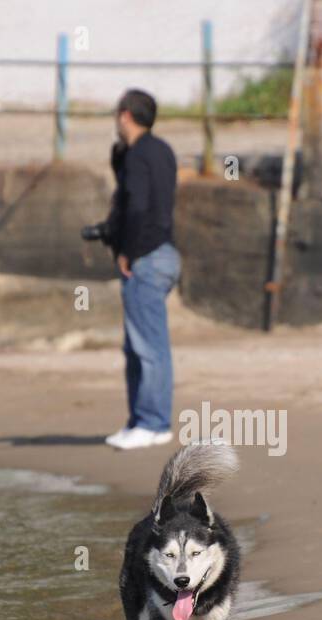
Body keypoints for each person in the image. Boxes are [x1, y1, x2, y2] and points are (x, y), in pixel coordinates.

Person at [103, 89, 181, 450]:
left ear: (125, 116)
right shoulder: (162, 150)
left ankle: (153, 422)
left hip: (146, 258)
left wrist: (127, 252)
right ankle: (140, 420)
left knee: (149, 346)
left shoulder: (139, 155)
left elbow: (136, 207)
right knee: (137, 345)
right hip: (164, 254)